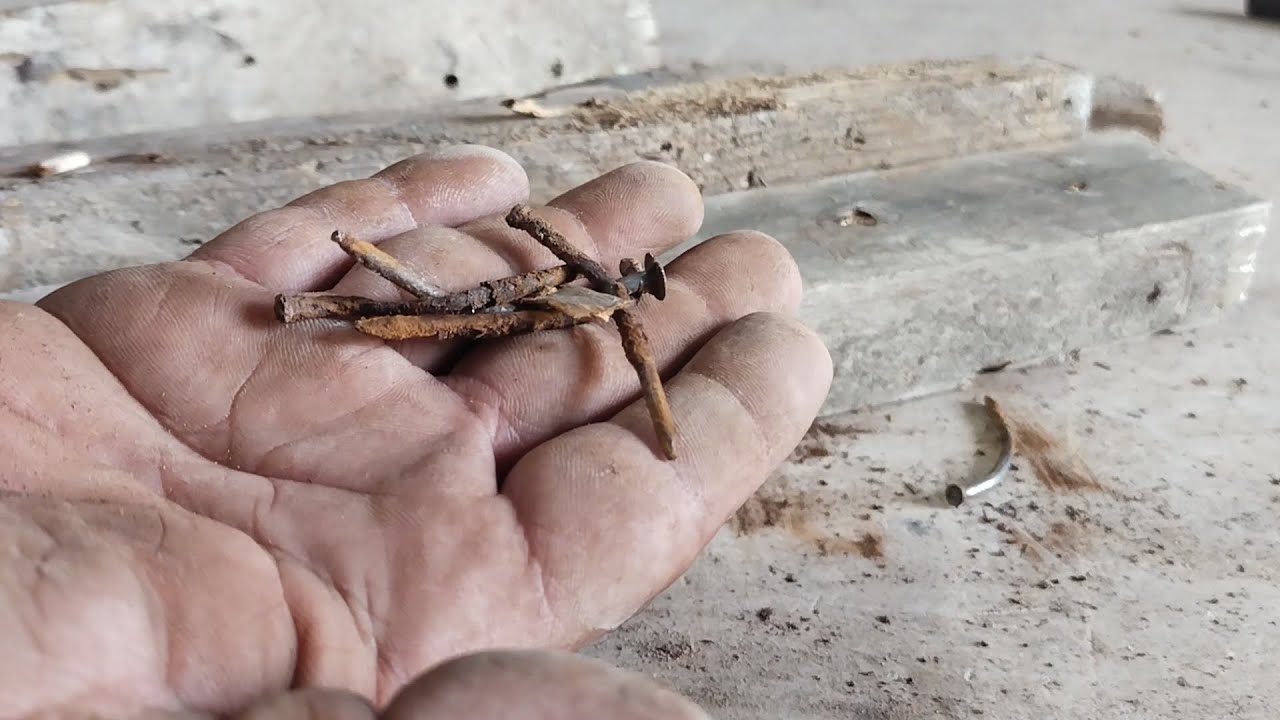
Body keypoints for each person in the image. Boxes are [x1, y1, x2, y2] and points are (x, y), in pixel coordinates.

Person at [0, 145, 832, 719]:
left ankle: (330, 302)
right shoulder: (585, 292)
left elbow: (553, 300)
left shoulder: (603, 305)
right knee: (427, 306)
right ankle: (325, 302)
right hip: (459, 306)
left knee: (431, 308)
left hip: (489, 308)